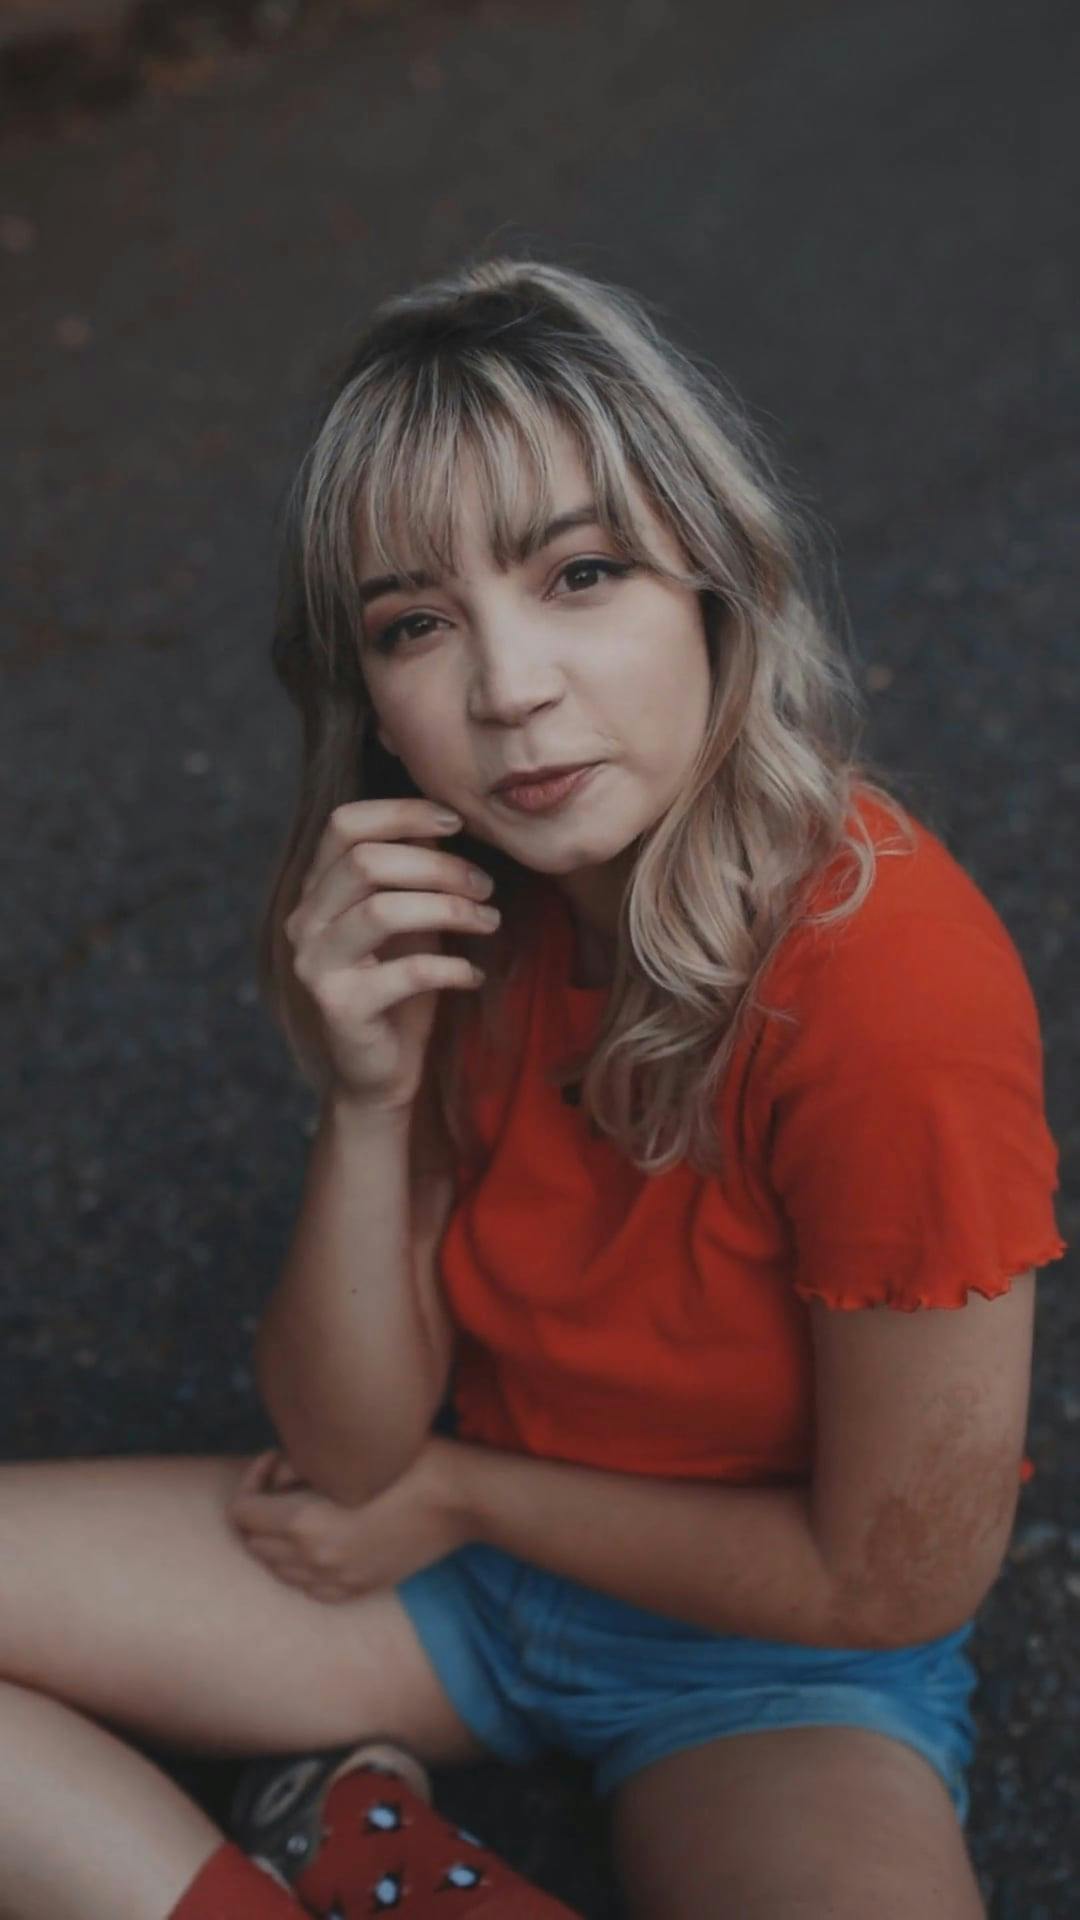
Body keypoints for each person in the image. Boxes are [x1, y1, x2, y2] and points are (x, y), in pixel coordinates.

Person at [2, 256, 1066, 1920]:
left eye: (581, 574)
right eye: (418, 624)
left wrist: (464, 1490)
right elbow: (345, 1452)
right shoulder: (465, 897)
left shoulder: (894, 983)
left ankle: (360, 1842)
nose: (509, 691)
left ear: (714, 584)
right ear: (377, 701)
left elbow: (893, 1574)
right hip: (454, 1585)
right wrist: (364, 1102)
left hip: (766, 1666)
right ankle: (349, 1856)